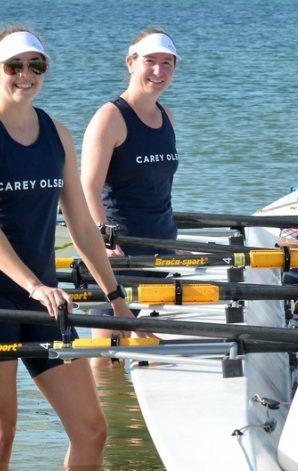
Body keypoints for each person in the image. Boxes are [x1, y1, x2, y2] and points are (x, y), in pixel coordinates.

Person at [0, 27, 136, 470]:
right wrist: (35, 285)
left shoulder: (58, 134)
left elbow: (82, 226)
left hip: (44, 301)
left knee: (92, 431)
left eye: (36, 66)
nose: (26, 75)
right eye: (15, 66)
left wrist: (115, 299)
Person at [81, 28, 180, 362]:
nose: (159, 71)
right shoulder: (110, 117)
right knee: (105, 357)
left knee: (141, 356)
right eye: (150, 61)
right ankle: (102, 411)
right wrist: (105, 241)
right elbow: (87, 188)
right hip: (117, 256)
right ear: (130, 63)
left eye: (168, 63)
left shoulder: (167, 116)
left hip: (160, 250)